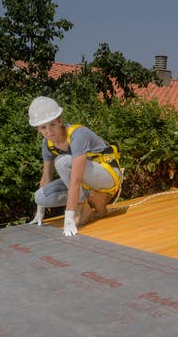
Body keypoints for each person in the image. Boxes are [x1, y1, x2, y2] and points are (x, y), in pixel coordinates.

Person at [26, 96, 122, 237]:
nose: (49, 131)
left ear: (60, 121)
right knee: (40, 197)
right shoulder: (47, 144)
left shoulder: (78, 135)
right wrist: (40, 212)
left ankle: (83, 206)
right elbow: (46, 178)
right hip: (85, 181)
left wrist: (69, 216)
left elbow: (76, 180)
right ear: (38, 129)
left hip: (107, 175)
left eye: (52, 124)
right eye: (43, 127)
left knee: (62, 162)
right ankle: (92, 199)